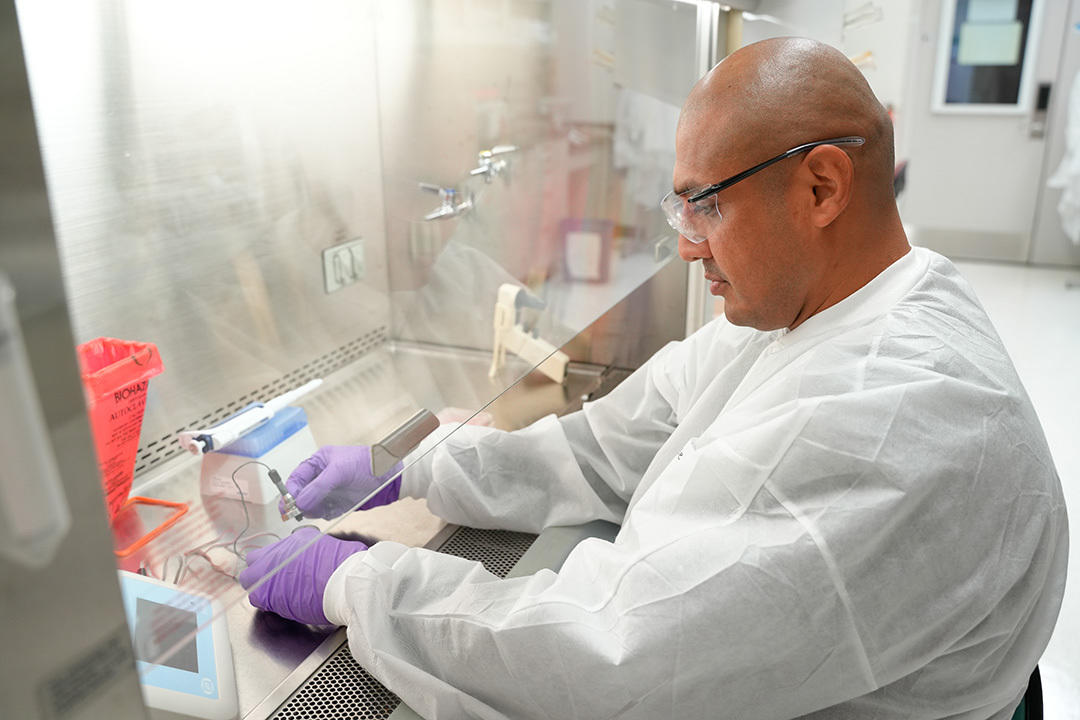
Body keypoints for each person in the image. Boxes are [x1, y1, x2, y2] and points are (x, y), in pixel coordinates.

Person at [240, 38, 1068, 719]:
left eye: (706, 204)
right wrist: (412, 472)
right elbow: (606, 446)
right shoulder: (822, 310)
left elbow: (606, 660)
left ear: (821, 187)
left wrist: (357, 582)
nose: (686, 245)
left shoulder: (886, 419)